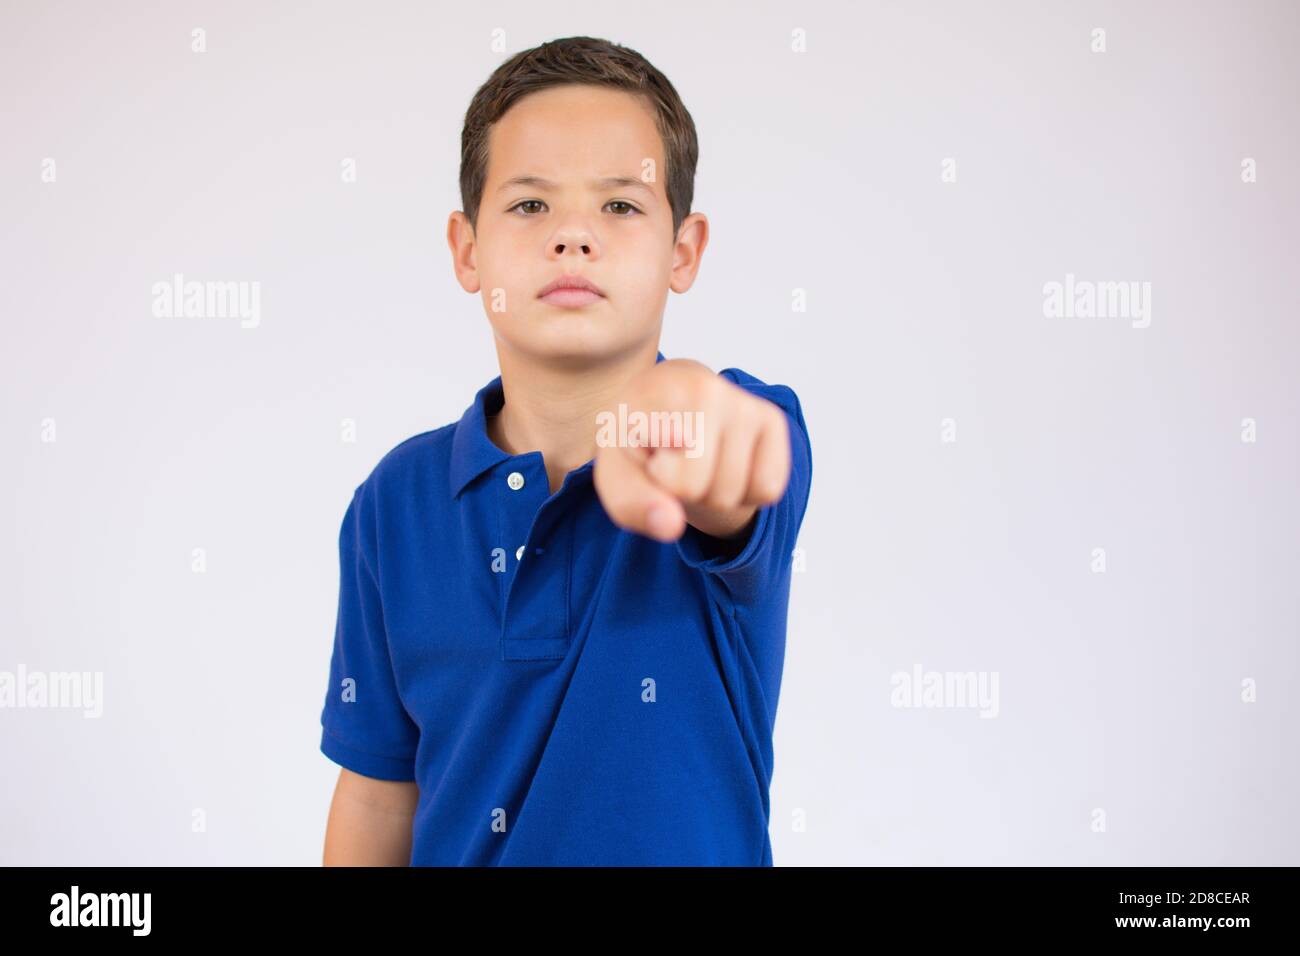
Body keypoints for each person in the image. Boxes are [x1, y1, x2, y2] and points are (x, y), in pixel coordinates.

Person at [320, 35, 812, 866]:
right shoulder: (393, 501)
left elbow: (743, 462)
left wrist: (696, 425)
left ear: (682, 251)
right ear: (467, 249)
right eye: (530, 204)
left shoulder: (742, 425)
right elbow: (377, 795)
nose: (574, 236)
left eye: (621, 205)